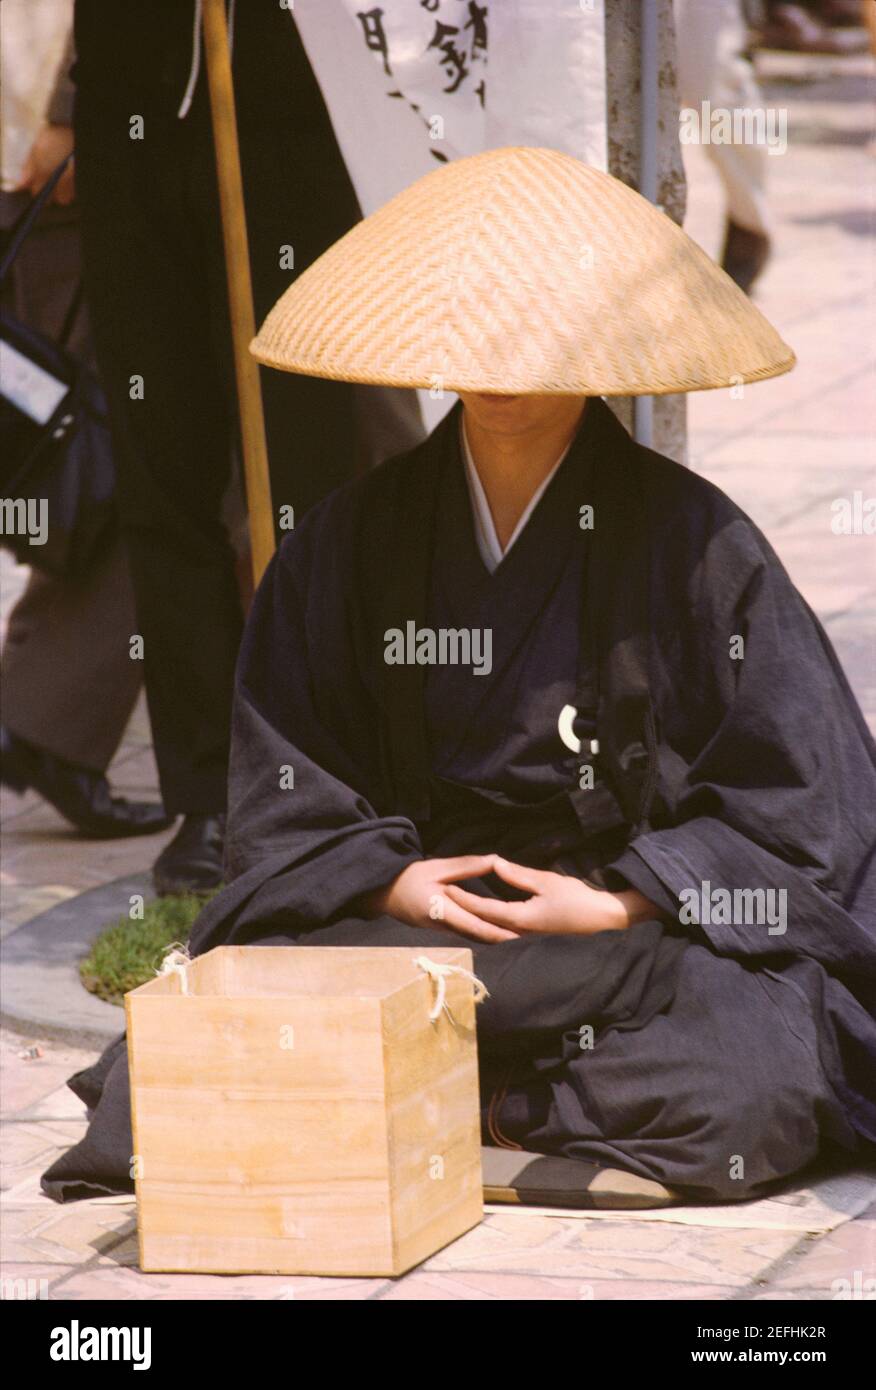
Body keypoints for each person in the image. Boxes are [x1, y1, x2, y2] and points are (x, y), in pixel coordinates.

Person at [43, 148, 876, 1207]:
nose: (504, 360)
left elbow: (801, 805)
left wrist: (620, 903)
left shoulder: (697, 543)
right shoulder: (353, 539)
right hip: (415, 928)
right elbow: (286, 785)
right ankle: (508, 1110)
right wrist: (387, 880)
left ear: (596, 337)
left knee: (758, 1070)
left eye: (535, 329)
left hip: (620, 945)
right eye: (477, 328)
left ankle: (450, 1105)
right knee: (184, 1051)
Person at [71, 0, 422, 893]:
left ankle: (319, 765)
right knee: (161, 467)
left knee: (306, 464)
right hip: (129, 98)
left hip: (291, 102)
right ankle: (208, 794)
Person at [0, 6, 169, 838]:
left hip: (70, 148)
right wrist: (70, 114)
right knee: (112, 458)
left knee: (104, 457)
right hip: (61, 162)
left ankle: (39, 717)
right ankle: (41, 719)